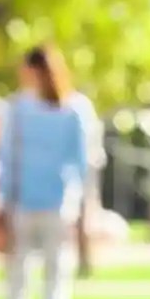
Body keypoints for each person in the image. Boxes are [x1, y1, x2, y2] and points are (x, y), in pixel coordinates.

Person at [0, 45, 87, 299]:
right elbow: (9, 159)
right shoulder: (20, 108)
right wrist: (6, 201)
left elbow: (81, 163)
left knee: (50, 282)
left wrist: (79, 209)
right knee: (20, 280)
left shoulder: (73, 109)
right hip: (26, 203)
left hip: (54, 206)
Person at [65, 88, 105, 278]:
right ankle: (83, 262)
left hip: (80, 168)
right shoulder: (78, 103)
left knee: (84, 216)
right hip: (75, 168)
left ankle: (85, 262)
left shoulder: (75, 104)